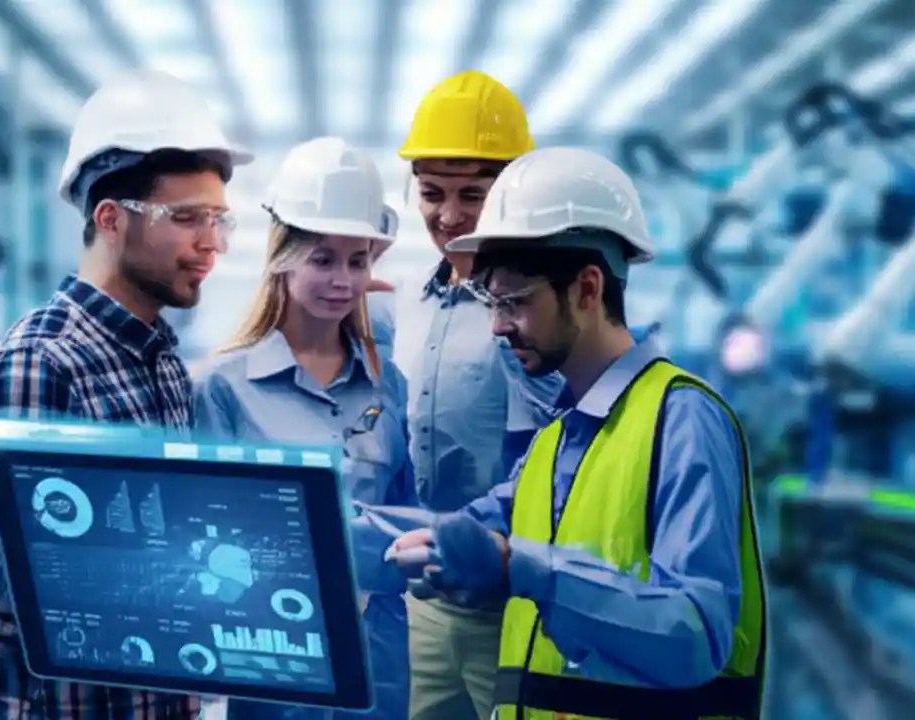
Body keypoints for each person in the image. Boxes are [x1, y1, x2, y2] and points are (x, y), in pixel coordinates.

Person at [380, 147, 768, 720]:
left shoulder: (682, 419)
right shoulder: (558, 438)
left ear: (587, 289)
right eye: (492, 302)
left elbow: (695, 634)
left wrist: (523, 570)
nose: (497, 325)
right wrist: (333, 528)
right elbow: (464, 529)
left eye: (515, 302)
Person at [0, 70, 252, 719]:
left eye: (219, 220)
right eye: (188, 219)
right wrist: (156, 563)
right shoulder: (39, 366)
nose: (212, 244)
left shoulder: (163, 365)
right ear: (111, 219)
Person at [194, 137, 415, 720]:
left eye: (358, 259)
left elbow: (404, 517)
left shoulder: (386, 384)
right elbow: (203, 541)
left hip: (380, 670)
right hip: (277, 669)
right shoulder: (224, 386)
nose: (343, 279)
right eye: (322, 258)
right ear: (282, 256)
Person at [365, 69, 561, 720]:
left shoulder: (542, 313)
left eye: (473, 194)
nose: (448, 216)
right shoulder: (405, 311)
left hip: (508, 598)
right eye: (431, 192)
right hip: (419, 599)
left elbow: (556, 456)